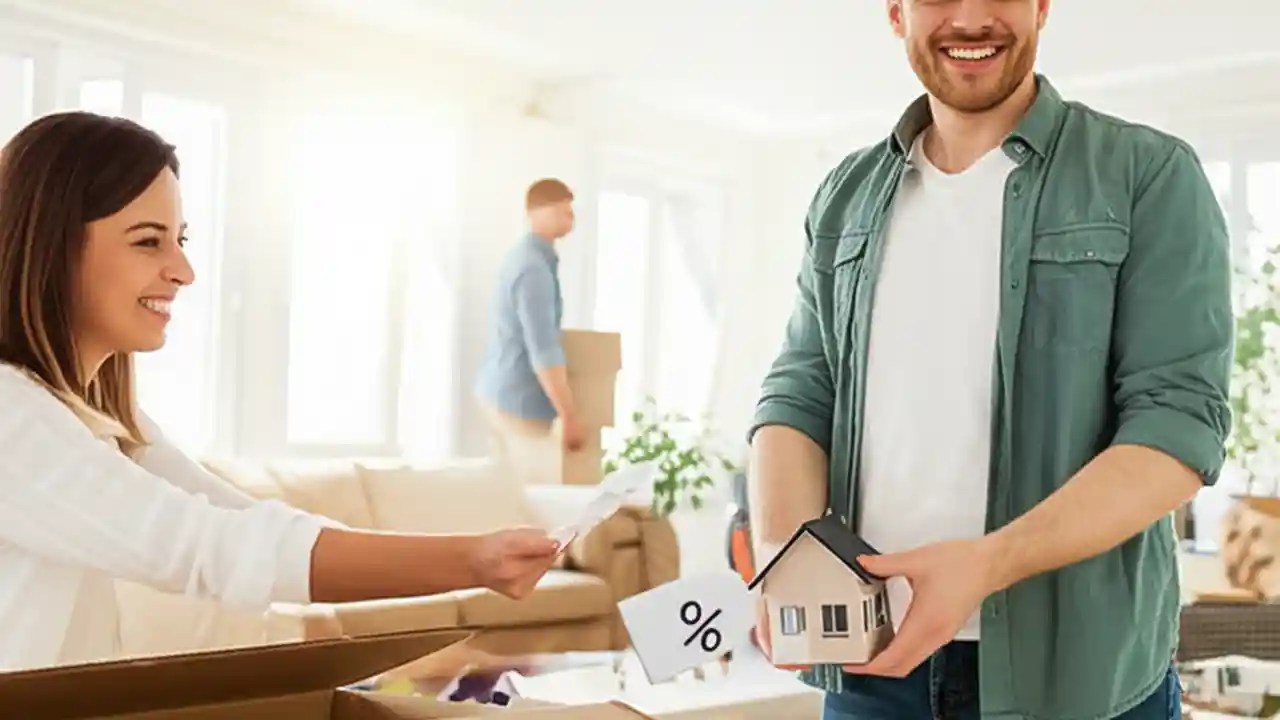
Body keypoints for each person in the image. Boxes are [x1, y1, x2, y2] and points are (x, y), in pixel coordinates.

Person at [747, 1, 1231, 719]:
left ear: (1041, 6)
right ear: (896, 13)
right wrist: (782, 557)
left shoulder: (1147, 174)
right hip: (871, 676)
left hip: (1076, 678)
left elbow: (1177, 428)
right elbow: (799, 391)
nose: (970, 18)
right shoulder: (844, 195)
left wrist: (987, 565)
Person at [0, 111, 561, 673]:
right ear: (52, 246)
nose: (184, 270)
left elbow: (246, 521)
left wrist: (478, 553)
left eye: (181, 240)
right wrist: (473, 560)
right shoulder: (11, 417)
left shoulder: (104, 423)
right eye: (149, 242)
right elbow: (210, 547)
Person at [474, 179, 585, 454]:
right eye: (560, 208)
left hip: (501, 393)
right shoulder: (533, 268)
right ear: (535, 213)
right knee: (529, 489)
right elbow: (543, 349)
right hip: (518, 404)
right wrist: (570, 416)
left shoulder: (528, 258)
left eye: (570, 208)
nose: (569, 214)